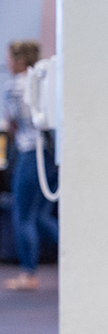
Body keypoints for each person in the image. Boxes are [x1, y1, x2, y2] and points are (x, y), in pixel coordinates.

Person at [3, 40, 54, 292]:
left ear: (20, 60)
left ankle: (28, 274)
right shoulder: (45, 83)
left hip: (30, 153)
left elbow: (12, 124)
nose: (7, 63)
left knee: (22, 215)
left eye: (10, 58)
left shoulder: (15, 86)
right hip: (49, 154)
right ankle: (79, 258)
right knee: (41, 217)